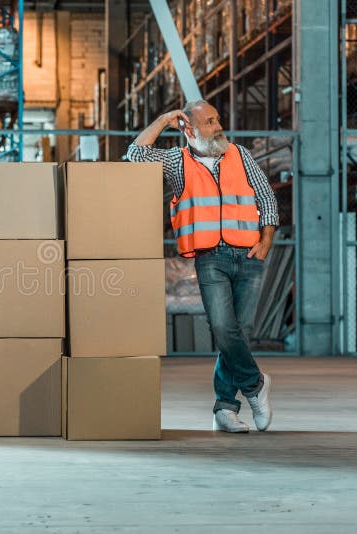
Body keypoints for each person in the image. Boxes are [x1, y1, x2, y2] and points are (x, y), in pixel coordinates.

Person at [126, 100, 278, 433]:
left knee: (240, 332)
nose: (218, 126)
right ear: (189, 129)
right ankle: (255, 386)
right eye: (209, 122)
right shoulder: (176, 162)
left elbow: (266, 197)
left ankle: (225, 408)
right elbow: (135, 155)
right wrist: (163, 119)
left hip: (249, 256)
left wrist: (266, 240)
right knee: (223, 328)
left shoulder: (240, 155)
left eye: (217, 119)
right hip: (211, 258)